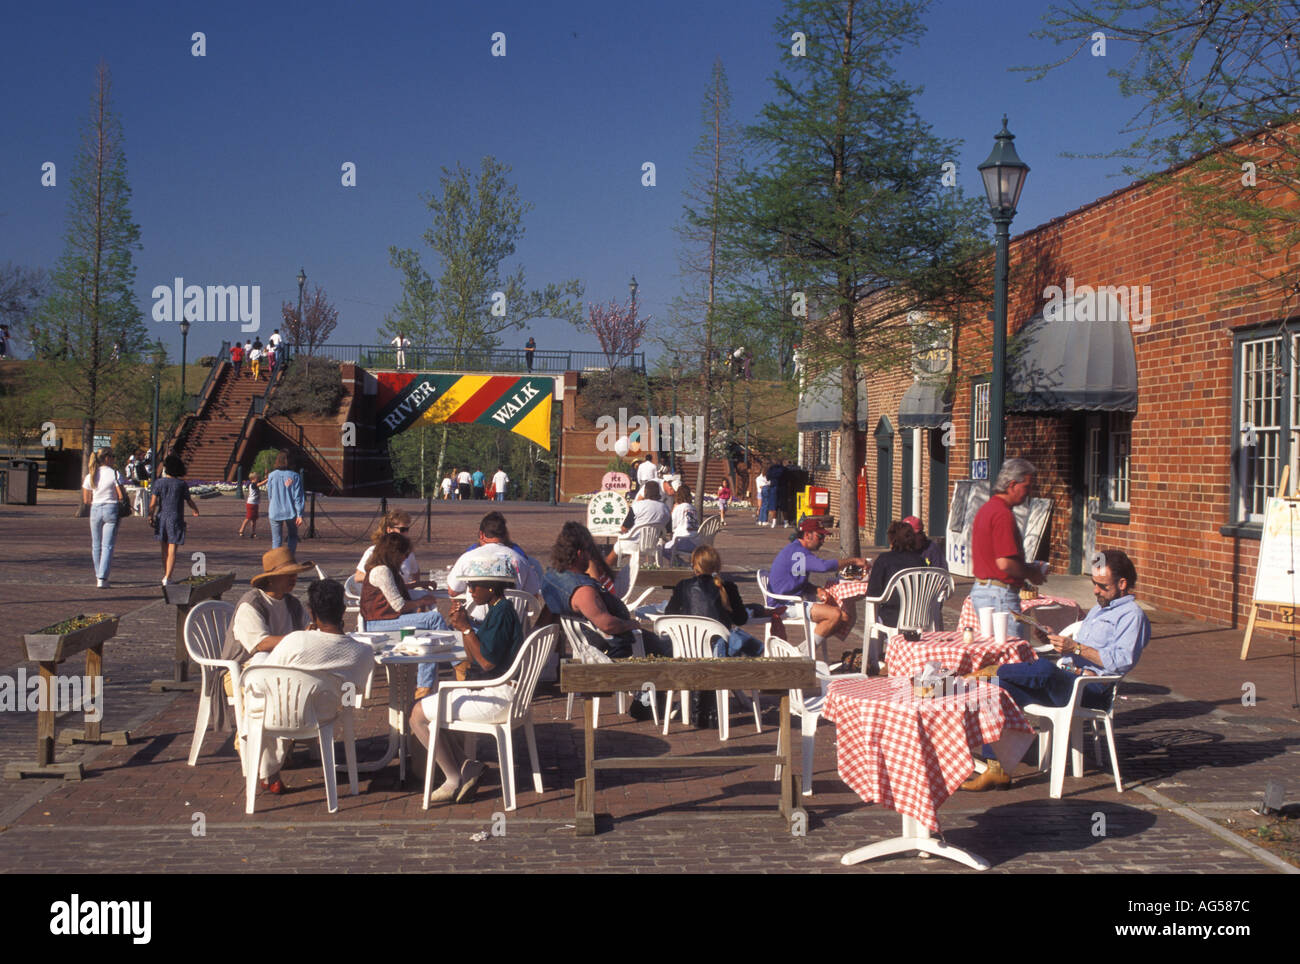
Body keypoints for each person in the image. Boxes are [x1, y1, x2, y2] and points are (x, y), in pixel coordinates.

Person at [963, 549, 1152, 791]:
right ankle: (996, 769)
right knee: (996, 689)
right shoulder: (1100, 608)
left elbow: (1121, 660)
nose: (1095, 590)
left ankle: (992, 669)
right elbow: (1077, 651)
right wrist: (1055, 640)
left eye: (1102, 586)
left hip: (1093, 689)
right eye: (1094, 584)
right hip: (1070, 679)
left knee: (1043, 669)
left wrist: (1077, 647)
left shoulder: (1132, 616)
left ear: (1122, 583)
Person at [411, 556, 524, 804]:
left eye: (474, 586)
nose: (470, 591)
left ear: (491, 587)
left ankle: (452, 778)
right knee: (436, 711)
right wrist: (465, 626)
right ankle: (466, 766)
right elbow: (481, 649)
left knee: (418, 715)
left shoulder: (502, 613)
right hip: (498, 689)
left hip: (498, 695)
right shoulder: (499, 610)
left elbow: (486, 662)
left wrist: (465, 629)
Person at [244, 579, 373, 793]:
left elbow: (264, 678)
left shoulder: (296, 641)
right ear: (343, 610)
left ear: (311, 613)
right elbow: (353, 693)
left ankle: (266, 769)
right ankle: (270, 769)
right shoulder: (363, 652)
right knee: (281, 690)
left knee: (262, 680)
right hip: (326, 715)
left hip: (283, 713)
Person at [541, 522, 670, 718]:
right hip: (611, 648)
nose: (591, 556)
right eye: (589, 551)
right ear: (578, 553)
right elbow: (607, 625)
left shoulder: (553, 577)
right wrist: (631, 624)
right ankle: (648, 704)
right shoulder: (583, 591)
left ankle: (648, 700)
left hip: (589, 643)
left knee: (661, 644)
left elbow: (545, 618)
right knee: (669, 648)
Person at [216, 547, 314, 792]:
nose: (294, 579)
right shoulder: (252, 603)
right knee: (272, 694)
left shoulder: (291, 603)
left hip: (280, 669)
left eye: (296, 574)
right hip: (240, 671)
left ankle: (282, 749)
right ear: (270, 578)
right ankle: (262, 764)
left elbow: (307, 629)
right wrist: (299, 638)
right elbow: (260, 643)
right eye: (288, 574)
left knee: (303, 688)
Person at [361, 532, 452, 695]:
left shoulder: (386, 569)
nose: (406, 558)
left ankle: (425, 684)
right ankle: (455, 665)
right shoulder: (382, 571)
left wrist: (420, 585)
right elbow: (399, 605)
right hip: (377, 623)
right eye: (405, 554)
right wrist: (421, 602)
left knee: (428, 634)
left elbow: (396, 590)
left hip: (383, 618)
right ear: (395, 554)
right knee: (434, 619)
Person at [968, 457, 1046, 641]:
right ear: (1012, 485)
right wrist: (1031, 572)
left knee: (998, 653)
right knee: (1011, 655)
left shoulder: (987, 509)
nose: (1028, 492)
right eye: (1026, 486)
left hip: (986, 589)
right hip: (999, 593)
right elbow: (1005, 563)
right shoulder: (1002, 514)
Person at [766, 518, 868, 650]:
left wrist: (816, 589)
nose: (823, 541)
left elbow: (797, 580)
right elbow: (823, 566)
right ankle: (805, 653)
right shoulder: (797, 553)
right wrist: (853, 561)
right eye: (820, 537)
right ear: (807, 535)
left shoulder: (797, 551)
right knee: (835, 615)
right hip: (782, 605)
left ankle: (801, 651)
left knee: (844, 617)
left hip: (790, 600)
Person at [446, 511, 543, 619]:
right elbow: (533, 596)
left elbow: (452, 591)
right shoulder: (520, 559)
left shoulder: (468, 557)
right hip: (511, 624)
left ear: (482, 535)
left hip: (477, 626)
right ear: (504, 535)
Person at [864, 520, 928, 644]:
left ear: (892, 539)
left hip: (892, 618)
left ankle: (875, 656)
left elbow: (873, 593)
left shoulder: (884, 560)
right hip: (921, 618)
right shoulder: (920, 561)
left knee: (873, 611)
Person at [149, 454, 199, 586]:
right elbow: (189, 500)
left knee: (163, 549)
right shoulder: (181, 484)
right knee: (172, 549)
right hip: (175, 517)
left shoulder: (159, 483)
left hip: (161, 517)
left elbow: (153, 503)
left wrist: (150, 515)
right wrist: (195, 509)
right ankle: (168, 576)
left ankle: (166, 574)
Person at [82, 447, 125, 589]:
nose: (113, 459)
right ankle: (103, 577)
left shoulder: (91, 475)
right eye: (112, 456)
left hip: (95, 508)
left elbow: (86, 500)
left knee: (96, 545)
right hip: (110, 508)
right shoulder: (114, 474)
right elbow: (120, 495)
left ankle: (98, 574)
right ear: (107, 458)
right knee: (108, 545)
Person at [353, 509, 425, 589]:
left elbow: (415, 571)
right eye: (402, 530)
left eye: (407, 529)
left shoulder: (407, 551)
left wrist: (416, 587)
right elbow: (358, 577)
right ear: (389, 530)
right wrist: (382, 578)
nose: (405, 533)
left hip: (402, 592)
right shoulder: (373, 551)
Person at [606, 480, 671, 567]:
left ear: (645, 492)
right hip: (652, 546)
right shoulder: (665, 508)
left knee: (613, 554)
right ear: (658, 492)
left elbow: (624, 528)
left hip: (633, 543)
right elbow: (668, 530)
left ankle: (604, 572)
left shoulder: (637, 506)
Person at [266, 450, 305, 553]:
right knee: (292, 536)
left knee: (276, 540)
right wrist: (299, 514)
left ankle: (278, 562)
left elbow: (270, 494)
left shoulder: (272, 476)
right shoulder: (295, 476)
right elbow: (298, 497)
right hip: (290, 511)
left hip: (275, 510)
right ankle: (290, 558)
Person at [663, 482, 700, 562]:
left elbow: (671, 525)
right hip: (697, 541)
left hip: (683, 540)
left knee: (663, 549)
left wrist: (673, 510)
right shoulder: (693, 508)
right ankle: (680, 563)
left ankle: (680, 563)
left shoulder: (679, 508)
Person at [238, 472, 261, 539]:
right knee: (248, 517)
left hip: (255, 503)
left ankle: (253, 533)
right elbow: (260, 484)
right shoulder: (253, 484)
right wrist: (268, 479)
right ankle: (241, 530)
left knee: (254, 519)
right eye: (257, 478)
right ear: (253, 479)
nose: (258, 479)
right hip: (251, 503)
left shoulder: (254, 484)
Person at [765, 460, 786, 528]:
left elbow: (767, 478)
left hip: (773, 488)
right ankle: (786, 522)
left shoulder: (771, 469)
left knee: (773, 506)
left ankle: (774, 522)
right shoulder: (784, 469)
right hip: (782, 488)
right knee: (783, 506)